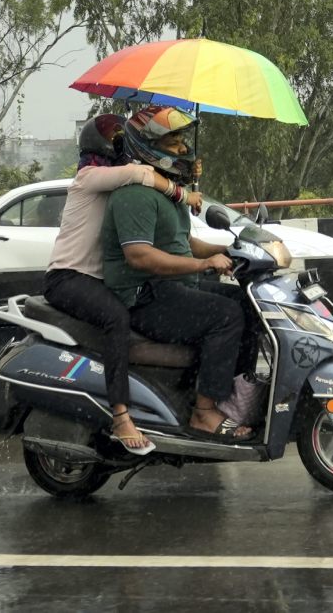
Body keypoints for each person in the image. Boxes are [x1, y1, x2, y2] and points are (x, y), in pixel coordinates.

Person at [43, 113, 203, 456]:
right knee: (116, 317)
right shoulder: (90, 177)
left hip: (98, 279)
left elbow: (150, 175)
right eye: (122, 143)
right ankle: (120, 415)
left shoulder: (119, 184)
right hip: (68, 278)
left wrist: (186, 171)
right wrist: (182, 193)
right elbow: (139, 172)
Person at [102, 106, 259, 443]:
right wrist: (204, 265)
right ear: (149, 147)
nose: (184, 149)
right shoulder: (135, 196)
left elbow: (183, 243)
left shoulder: (166, 193)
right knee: (226, 315)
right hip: (143, 296)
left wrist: (230, 251)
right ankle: (203, 414)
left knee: (248, 304)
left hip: (171, 286)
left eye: (181, 141)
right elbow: (140, 256)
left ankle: (227, 399)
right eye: (174, 142)